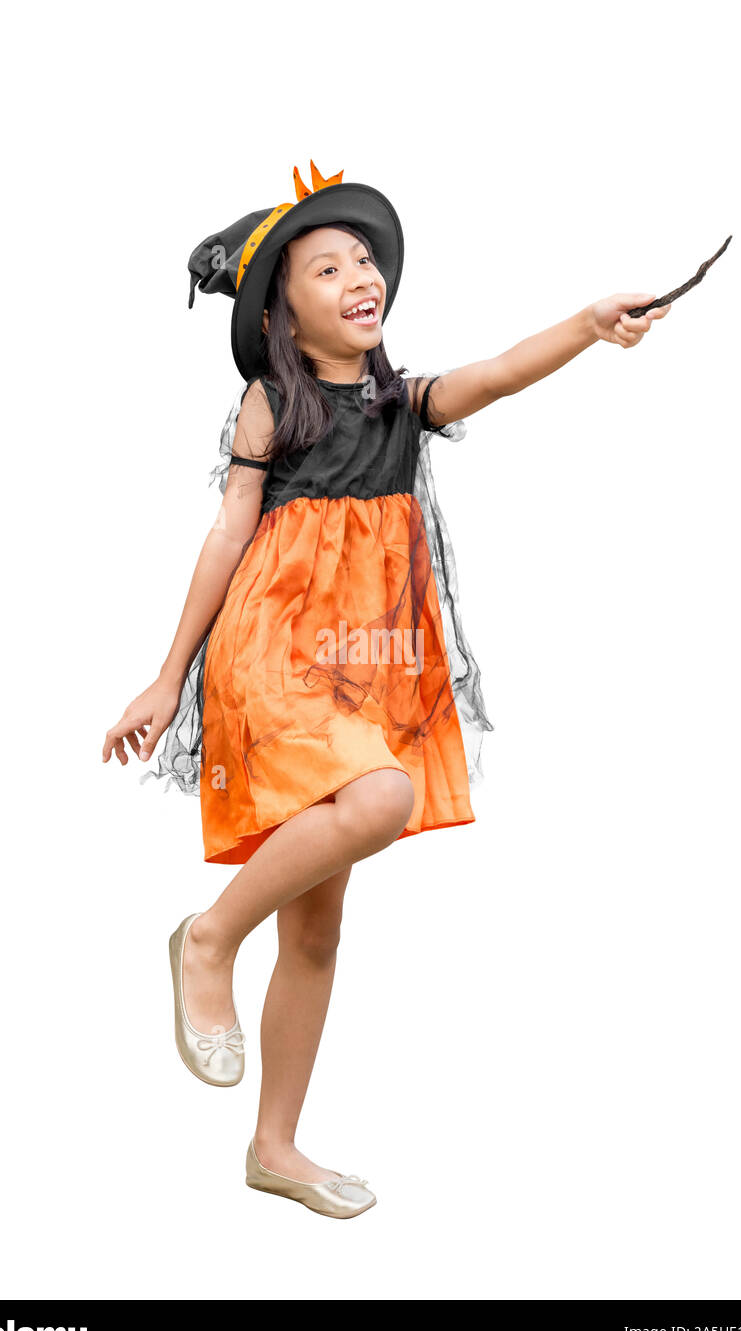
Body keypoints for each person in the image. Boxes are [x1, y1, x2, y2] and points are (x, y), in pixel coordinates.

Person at [102, 159, 670, 1219]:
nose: (360, 275)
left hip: (372, 662)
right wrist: (166, 674)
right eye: (328, 266)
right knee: (381, 799)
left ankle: (274, 1145)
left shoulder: (407, 401)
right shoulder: (273, 402)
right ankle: (211, 936)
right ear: (282, 307)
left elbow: (498, 371)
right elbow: (230, 531)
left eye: (364, 260)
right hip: (273, 649)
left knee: (318, 926)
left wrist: (589, 324)